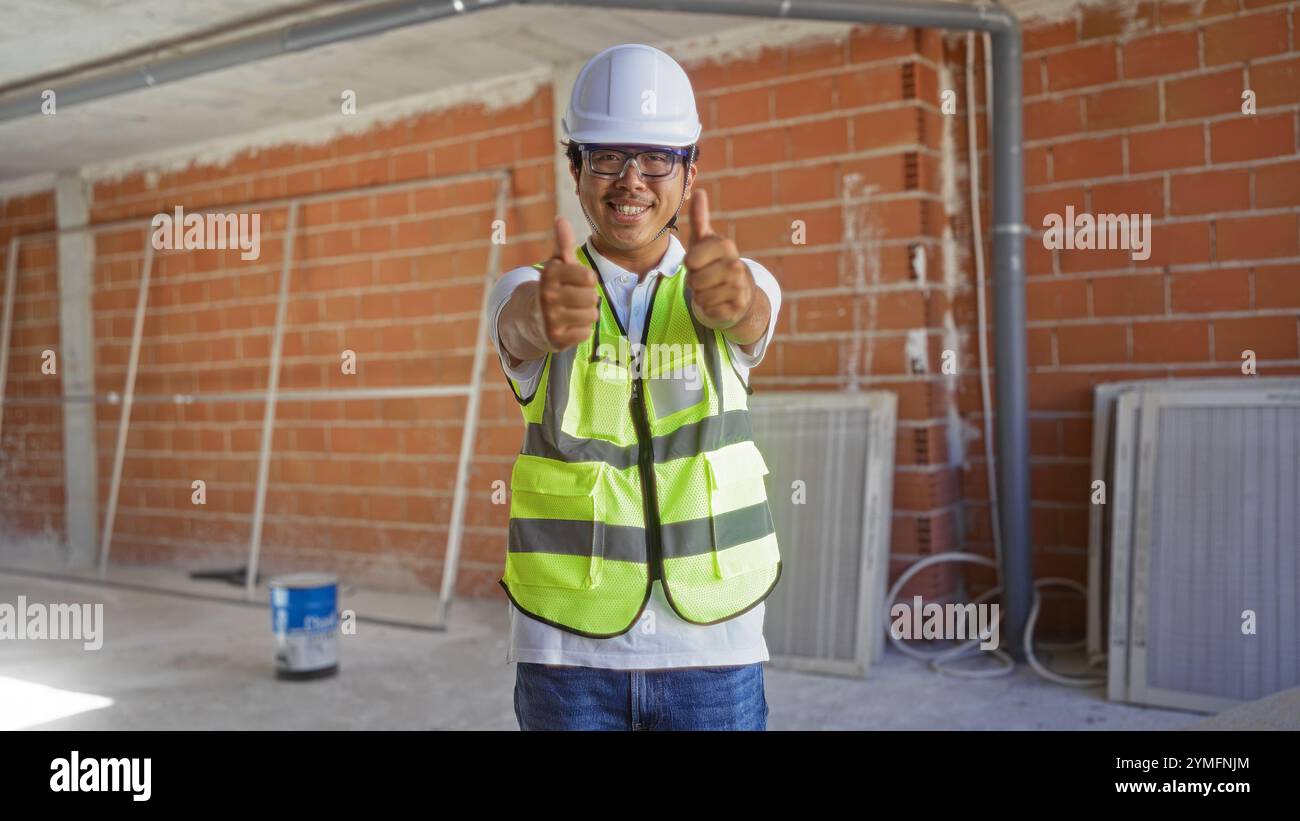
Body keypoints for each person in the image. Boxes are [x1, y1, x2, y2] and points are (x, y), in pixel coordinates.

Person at [488, 43, 783, 731]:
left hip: (714, 647)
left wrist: (734, 300)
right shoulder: (530, 287)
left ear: (690, 167)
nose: (632, 181)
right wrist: (541, 316)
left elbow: (750, 313)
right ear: (575, 167)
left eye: (656, 158)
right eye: (607, 157)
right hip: (568, 650)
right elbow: (518, 328)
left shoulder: (738, 280)